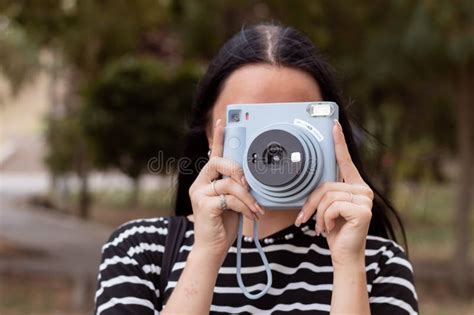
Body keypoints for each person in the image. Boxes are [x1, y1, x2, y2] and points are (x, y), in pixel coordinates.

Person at [94, 23, 419, 314]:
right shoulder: (139, 250)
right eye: (249, 120)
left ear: (331, 131)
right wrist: (207, 252)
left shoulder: (376, 263)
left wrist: (349, 266)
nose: (273, 143)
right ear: (210, 132)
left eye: (295, 122)